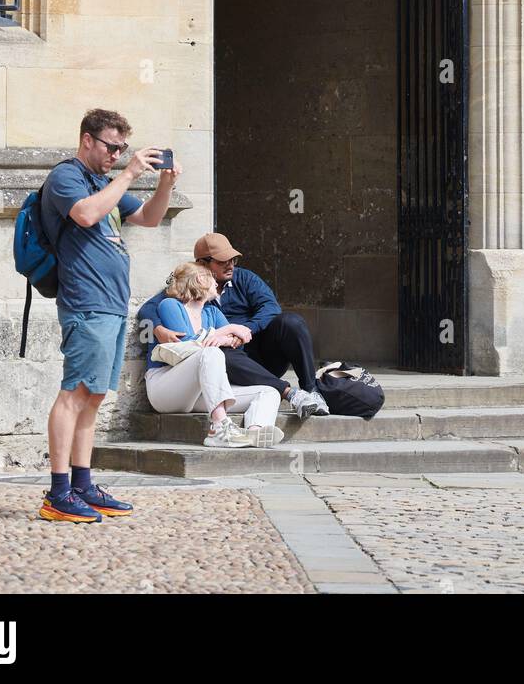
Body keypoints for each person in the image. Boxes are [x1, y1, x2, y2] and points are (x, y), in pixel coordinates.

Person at [38, 108, 181, 523]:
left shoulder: (107, 182)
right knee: (75, 393)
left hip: (113, 305)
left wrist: (166, 186)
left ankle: (82, 485)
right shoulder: (67, 177)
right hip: (86, 302)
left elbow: (150, 218)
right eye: (111, 147)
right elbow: (84, 214)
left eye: (123, 149)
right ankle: (58, 492)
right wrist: (130, 174)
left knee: (94, 396)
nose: (117, 155)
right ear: (87, 140)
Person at [147, 233, 329, 418]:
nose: (230, 265)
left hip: (258, 355)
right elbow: (149, 308)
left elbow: (271, 307)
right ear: (202, 263)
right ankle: (289, 394)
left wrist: (245, 329)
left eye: (233, 259)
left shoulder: (244, 278)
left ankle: (311, 391)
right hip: (224, 362)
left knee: (291, 323)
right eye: (222, 261)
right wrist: (158, 328)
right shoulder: (190, 286)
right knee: (217, 350)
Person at [138, 263, 284, 449]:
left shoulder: (212, 312)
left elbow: (233, 344)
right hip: (165, 387)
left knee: (269, 391)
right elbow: (190, 346)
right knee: (210, 352)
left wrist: (225, 336)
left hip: (200, 393)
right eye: (212, 278)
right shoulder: (170, 305)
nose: (217, 283)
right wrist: (230, 328)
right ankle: (219, 428)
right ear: (200, 279)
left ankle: (255, 431)